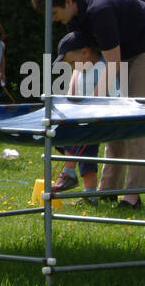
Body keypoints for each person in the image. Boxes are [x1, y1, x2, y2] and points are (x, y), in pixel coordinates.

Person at [32, 0, 145, 208]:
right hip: (123, 53)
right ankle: (108, 189)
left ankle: (133, 196)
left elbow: (112, 63)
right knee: (115, 119)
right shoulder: (74, 18)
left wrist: (92, 104)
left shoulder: (99, 11)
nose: (53, 20)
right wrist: (75, 98)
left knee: (136, 119)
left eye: (54, 13)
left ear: (67, 1)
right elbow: (84, 58)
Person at [50, 31, 118, 194]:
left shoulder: (102, 69)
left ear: (85, 53)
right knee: (85, 155)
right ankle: (90, 194)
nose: (72, 68)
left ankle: (68, 172)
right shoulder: (81, 71)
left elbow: (117, 97)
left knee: (78, 141)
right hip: (87, 123)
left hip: (104, 121)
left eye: (72, 63)